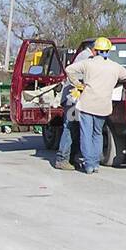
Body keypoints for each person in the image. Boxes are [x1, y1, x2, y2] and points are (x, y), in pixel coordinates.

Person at [65, 37, 126, 174]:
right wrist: (114, 84)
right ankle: (95, 164)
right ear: (108, 51)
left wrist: (78, 84)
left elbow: (69, 70)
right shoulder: (115, 67)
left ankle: (88, 164)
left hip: (87, 105)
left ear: (95, 50)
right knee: (97, 134)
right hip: (103, 106)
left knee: (86, 134)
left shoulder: (87, 64)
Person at [52, 42, 94, 170]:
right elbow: (73, 73)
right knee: (70, 127)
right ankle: (62, 159)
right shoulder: (86, 57)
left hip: (75, 98)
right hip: (73, 98)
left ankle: (71, 158)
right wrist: (79, 84)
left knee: (74, 128)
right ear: (94, 49)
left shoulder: (85, 56)